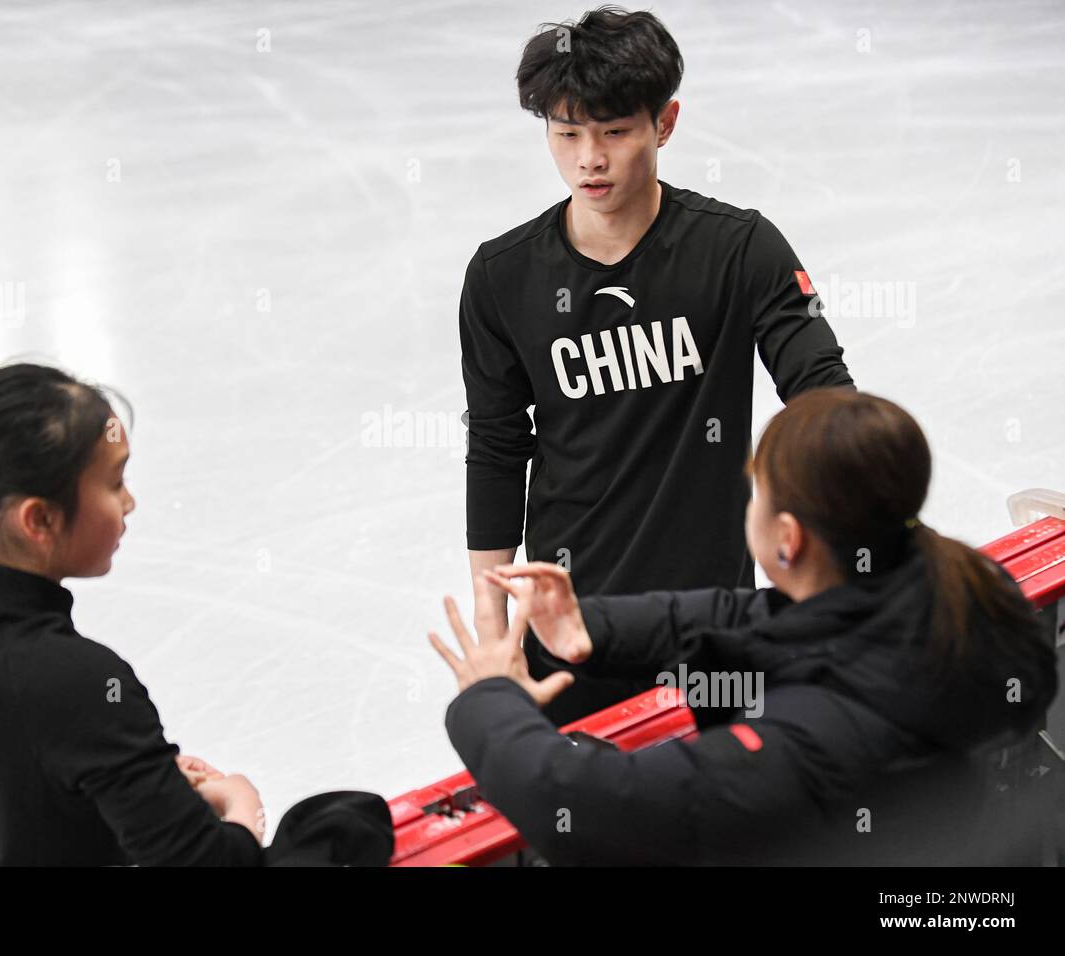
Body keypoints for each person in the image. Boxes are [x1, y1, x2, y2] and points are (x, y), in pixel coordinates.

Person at [431, 388, 1058, 864]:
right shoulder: (963, 589)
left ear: (786, 538)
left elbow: (590, 806)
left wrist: (490, 700)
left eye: (756, 492)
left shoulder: (808, 741)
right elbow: (767, 622)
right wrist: (591, 631)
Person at [460, 6, 855, 725]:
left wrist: (854, 554)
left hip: (715, 624)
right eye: (567, 133)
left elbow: (823, 398)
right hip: (564, 622)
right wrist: (496, 633)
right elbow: (495, 447)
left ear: (664, 123)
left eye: (615, 132)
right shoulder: (502, 277)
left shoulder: (739, 250)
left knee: (737, 822)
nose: (590, 159)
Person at [0, 362, 264, 865]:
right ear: (39, 519)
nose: (129, 502)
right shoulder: (79, 680)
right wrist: (241, 804)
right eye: (114, 483)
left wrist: (139, 776)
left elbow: (5, 770)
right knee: (335, 826)